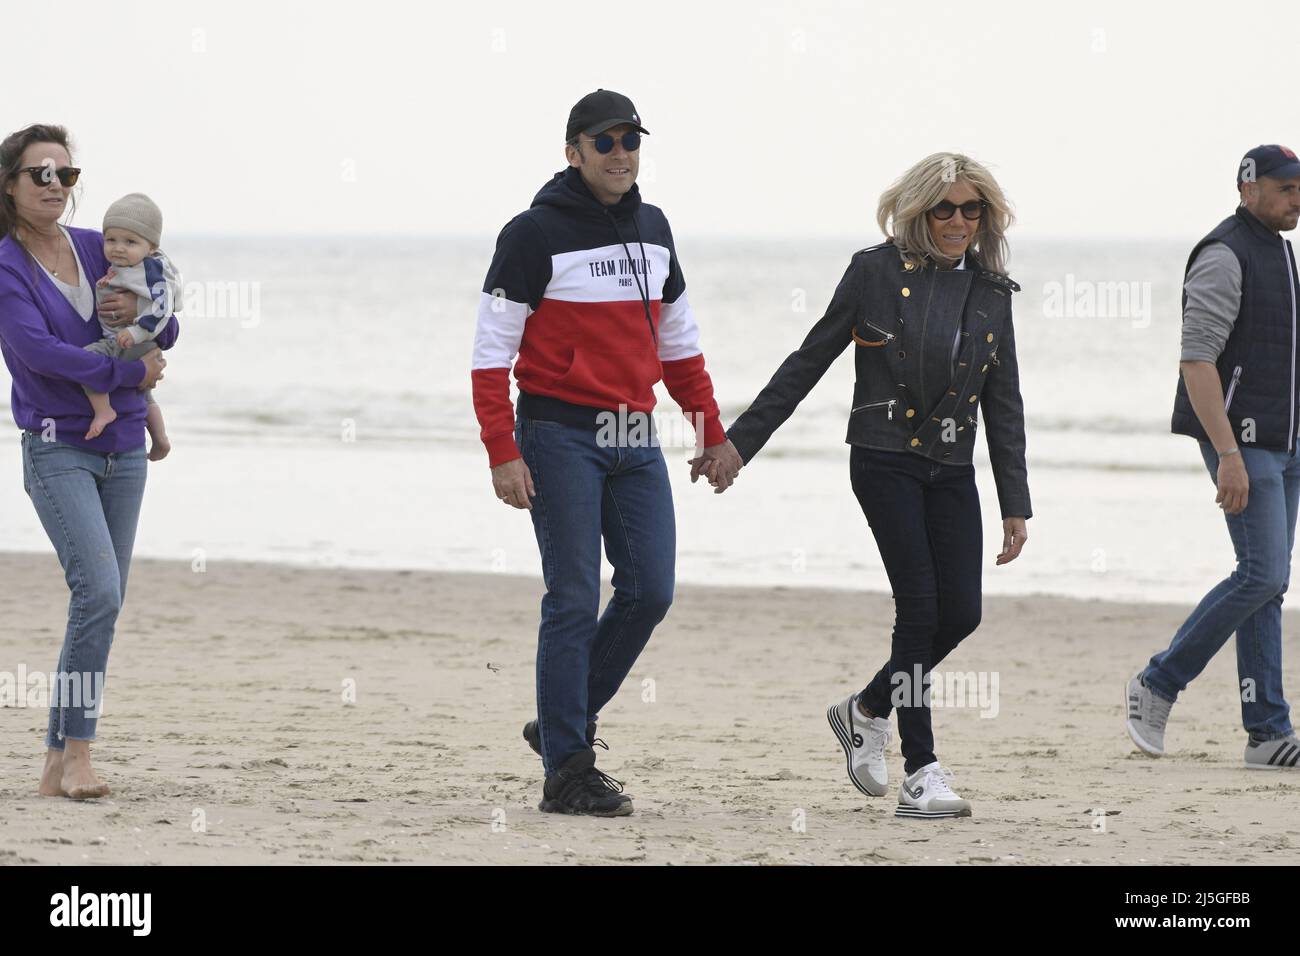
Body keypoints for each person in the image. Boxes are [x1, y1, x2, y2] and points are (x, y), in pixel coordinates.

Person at [718, 153, 1031, 819]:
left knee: (962, 613)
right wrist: (740, 443)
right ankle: (922, 773)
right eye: (943, 208)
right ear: (918, 210)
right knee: (919, 611)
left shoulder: (993, 293)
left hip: (952, 468)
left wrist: (1016, 504)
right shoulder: (874, 272)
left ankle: (864, 708)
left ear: (985, 216)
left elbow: (1003, 401)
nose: (957, 220)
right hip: (884, 458)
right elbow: (808, 360)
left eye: (970, 208)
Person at [469, 90, 739, 816]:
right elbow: (491, 354)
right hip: (557, 433)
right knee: (572, 596)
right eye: (605, 141)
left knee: (651, 588)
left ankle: (557, 724)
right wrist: (503, 449)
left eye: (631, 140)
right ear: (573, 151)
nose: (621, 153)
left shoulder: (654, 229)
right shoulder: (531, 233)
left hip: (635, 435)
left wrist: (710, 430)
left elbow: (678, 342)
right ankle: (567, 770)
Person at [0, 124, 175, 799]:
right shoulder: (8, 265)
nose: (54, 186)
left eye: (64, 175)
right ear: (11, 184)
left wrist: (153, 328)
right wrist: (135, 373)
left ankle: (55, 762)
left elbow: (165, 319)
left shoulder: (95, 246)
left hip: (125, 450)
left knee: (102, 602)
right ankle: (78, 755)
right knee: (98, 592)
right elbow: (37, 352)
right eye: (39, 174)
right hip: (57, 447)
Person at [1128, 144, 1300, 769]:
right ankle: (1158, 682)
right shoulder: (1225, 252)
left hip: (1285, 442)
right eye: (1285, 188)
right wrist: (1227, 452)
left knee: (1268, 586)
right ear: (1248, 187)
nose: (1296, 198)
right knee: (1260, 574)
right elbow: (1197, 360)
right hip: (1243, 442)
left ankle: (1267, 734)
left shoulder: (1279, 250)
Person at [83, 192, 181, 460]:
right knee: (145, 396)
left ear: (151, 247)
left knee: (88, 358)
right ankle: (160, 439)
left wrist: (136, 328)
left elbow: (165, 306)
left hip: (129, 339)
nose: (118, 248)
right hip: (133, 340)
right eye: (111, 239)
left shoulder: (151, 269)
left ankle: (104, 410)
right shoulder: (129, 265)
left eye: (130, 241)